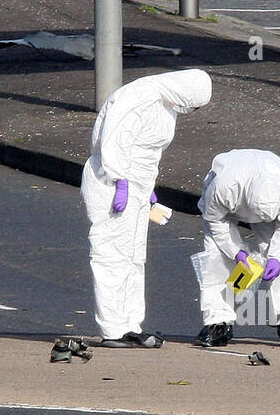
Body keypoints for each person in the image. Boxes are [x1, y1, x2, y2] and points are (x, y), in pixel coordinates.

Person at [81, 69, 212, 347]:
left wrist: (146, 189)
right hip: (112, 183)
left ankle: (130, 324)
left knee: (133, 256)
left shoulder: (167, 104)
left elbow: (148, 153)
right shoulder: (138, 97)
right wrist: (121, 181)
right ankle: (112, 329)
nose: (192, 109)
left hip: (137, 185)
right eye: (195, 104)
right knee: (111, 254)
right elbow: (113, 142)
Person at [194, 149, 280, 349]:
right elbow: (215, 221)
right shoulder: (225, 186)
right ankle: (218, 321)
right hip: (225, 208)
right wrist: (236, 252)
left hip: (273, 208)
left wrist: (276, 257)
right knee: (217, 257)